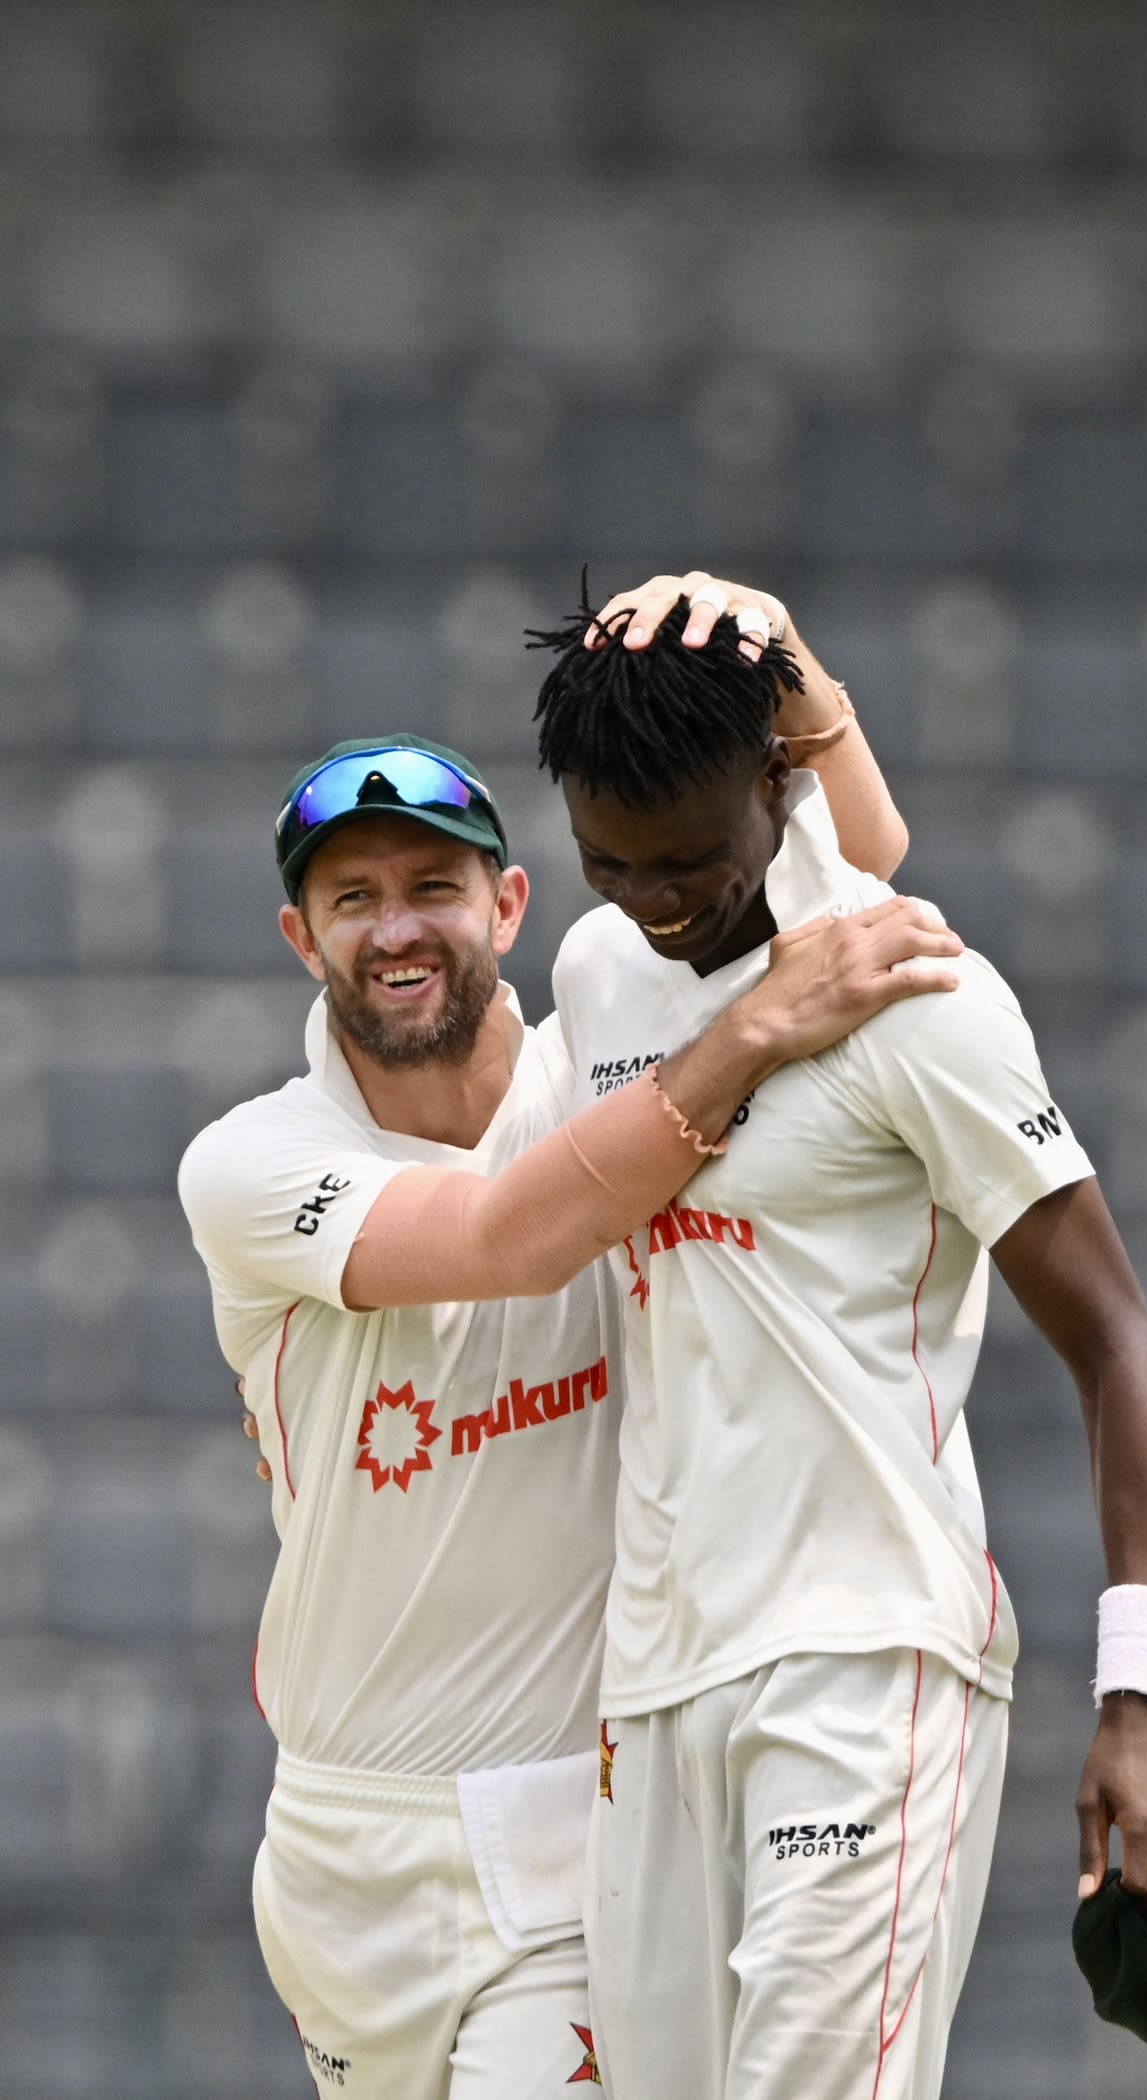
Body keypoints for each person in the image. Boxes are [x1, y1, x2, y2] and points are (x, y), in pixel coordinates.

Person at [178, 575, 962, 2100]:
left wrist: (779, 653)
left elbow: (847, 873)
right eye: (353, 900)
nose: (398, 930)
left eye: (434, 885)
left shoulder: (601, 1063)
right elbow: (499, 1238)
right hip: (335, 1848)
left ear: (510, 905)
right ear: (300, 936)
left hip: (569, 1827)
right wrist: (748, 1037)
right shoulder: (252, 1164)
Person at [535, 581, 1147, 2100]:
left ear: (778, 780)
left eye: (688, 862)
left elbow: (1117, 1343)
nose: (651, 900)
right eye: (608, 862)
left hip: (864, 1662)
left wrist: (1142, 1701)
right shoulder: (593, 974)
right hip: (654, 1681)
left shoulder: (917, 992)